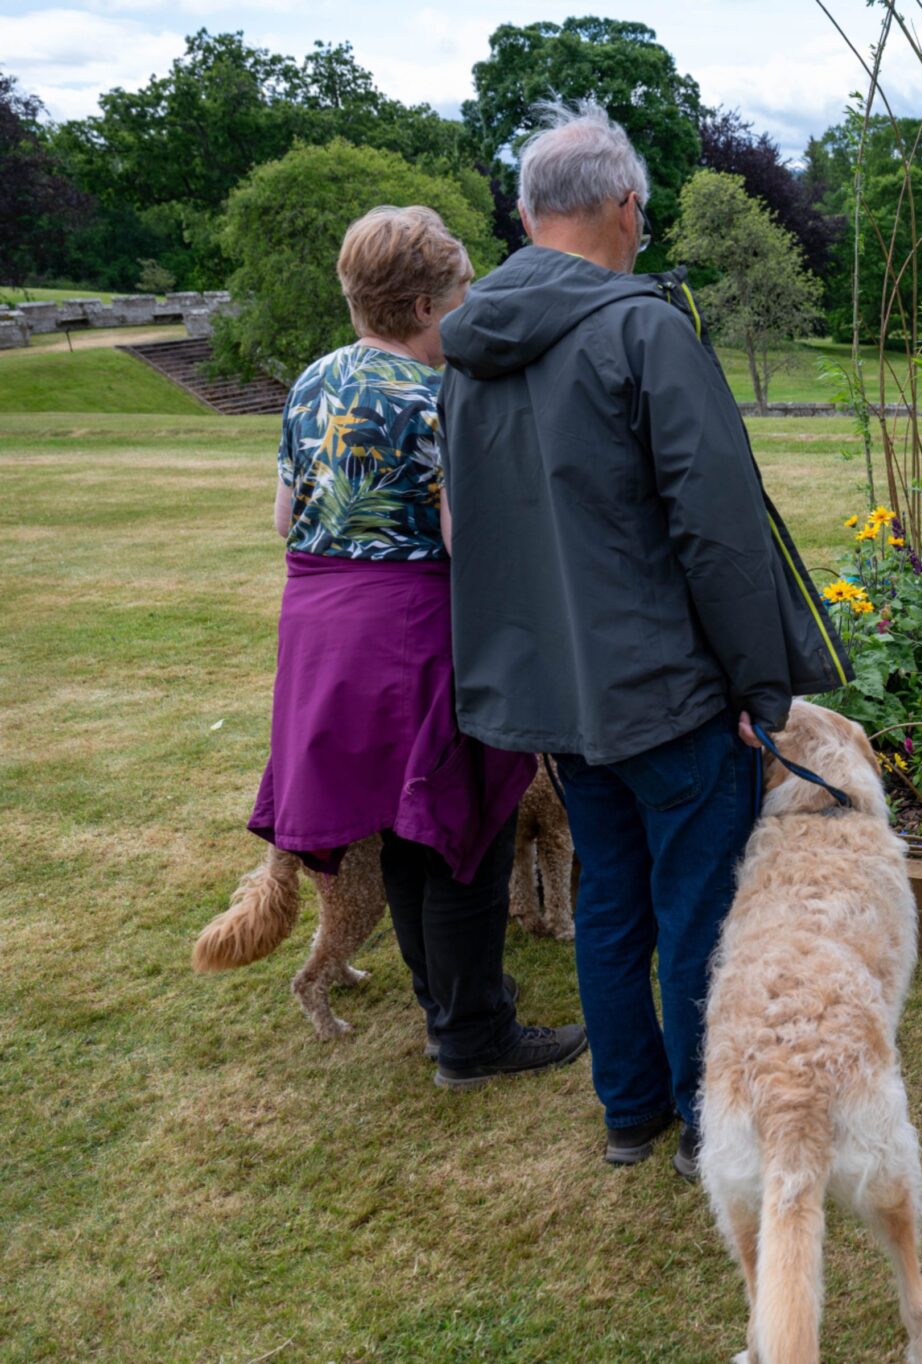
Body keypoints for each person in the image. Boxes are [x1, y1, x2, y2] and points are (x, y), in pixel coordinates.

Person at [438, 103, 844, 1176]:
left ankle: (632, 1109)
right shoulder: (643, 327)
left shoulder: (466, 350)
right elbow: (717, 532)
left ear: (530, 215)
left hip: (563, 694)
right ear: (626, 205)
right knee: (695, 905)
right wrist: (763, 689)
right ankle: (706, 1120)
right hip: (662, 686)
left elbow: (468, 532)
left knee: (612, 894)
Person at [250, 205, 587, 1088]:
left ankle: (446, 998)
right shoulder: (440, 397)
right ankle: (474, 1035)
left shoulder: (313, 381)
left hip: (319, 629)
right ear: (432, 305)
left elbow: (284, 518)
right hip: (411, 631)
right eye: (465, 292)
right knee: (461, 827)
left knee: (398, 826)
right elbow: (463, 536)